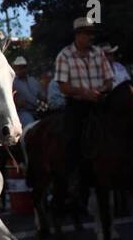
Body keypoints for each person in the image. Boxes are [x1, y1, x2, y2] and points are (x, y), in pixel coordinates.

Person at [54, 17, 114, 204]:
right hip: (78, 105)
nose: (90, 37)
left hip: (100, 101)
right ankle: (73, 179)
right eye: (87, 34)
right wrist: (84, 93)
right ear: (78, 35)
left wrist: (101, 91)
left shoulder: (99, 53)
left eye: (91, 34)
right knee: (72, 138)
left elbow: (109, 79)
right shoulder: (64, 56)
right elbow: (63, 87)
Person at [10, 56, 41, 126]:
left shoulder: (33, 81)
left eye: (23, 67)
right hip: (22, 112)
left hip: (37, 110)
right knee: (30, 124)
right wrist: (16, 102)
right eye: (19, 68)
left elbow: (41, 95)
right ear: (15, 68)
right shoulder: (12, 83)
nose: (22, 70)